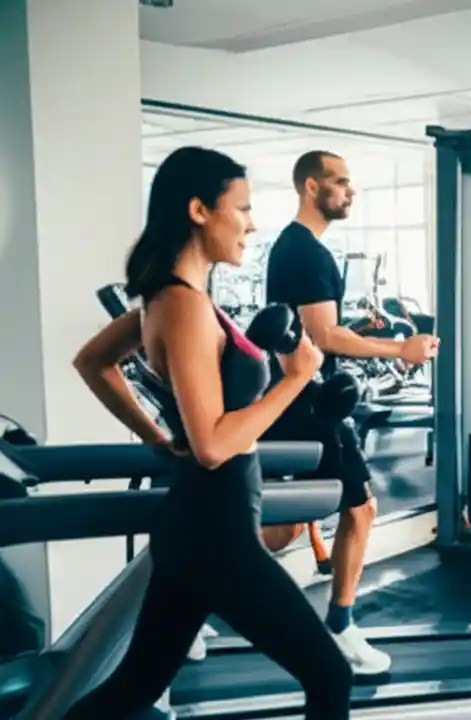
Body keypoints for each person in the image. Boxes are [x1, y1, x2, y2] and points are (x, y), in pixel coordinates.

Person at [66, 146, 351, 718]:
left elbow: (92, 362)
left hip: (199, 529)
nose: (251, 223)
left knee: (132, 689)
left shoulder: (173, 300)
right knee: (330, 675)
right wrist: (296, 380)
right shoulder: (183, 305)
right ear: (199, 209)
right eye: (241, 208)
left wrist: (154, 437)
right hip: (217, 536)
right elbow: (215, 445)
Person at [262, 150, 438, 675]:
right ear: (312, 188)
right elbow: (323, 335)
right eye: (340, 183)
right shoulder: (306, 252)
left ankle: (197, 569)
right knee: (359, 510)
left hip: (303, 398)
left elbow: (323, 329)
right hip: (310, 403)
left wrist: (376, 335)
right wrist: (400, 349)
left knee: (283, 527)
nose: (350, 192)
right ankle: (340, 625)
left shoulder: (299, 248)